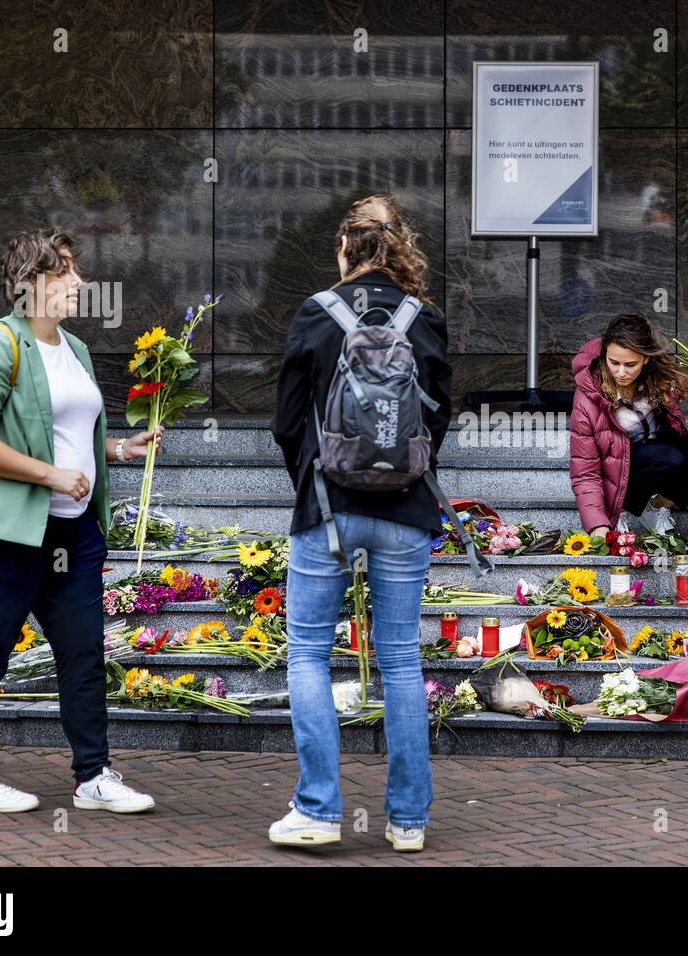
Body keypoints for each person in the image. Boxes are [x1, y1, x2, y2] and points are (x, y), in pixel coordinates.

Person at [0, 226, 162, 813]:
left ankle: (92, 776)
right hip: (5, 531)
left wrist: (118, 451)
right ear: (32, 282)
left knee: (83, 651)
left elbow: (68, 436)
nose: (79, 282)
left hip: (72, 530)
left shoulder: (76, 349)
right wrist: (49, 476)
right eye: (66, 271)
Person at [269, 194, 451, 853]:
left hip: (328, 509)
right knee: (402, 659)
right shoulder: (424, 319)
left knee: (310, 655)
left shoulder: (316, 315)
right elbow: (437, 422)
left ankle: (317, 809)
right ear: (398, 247)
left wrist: (318, 485)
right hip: (407, 513)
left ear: (344, 248)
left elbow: (287, 424)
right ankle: (408, 821)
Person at [569, 313, 688, 545]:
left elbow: (680, 381)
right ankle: (621, 510)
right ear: (605, 354)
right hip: (618, 474)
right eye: (614, 362)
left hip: (655, 454)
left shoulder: (656, 377)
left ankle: (655, 507)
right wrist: (598, 523)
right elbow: (584, 470)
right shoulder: (588, 397)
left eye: (630, 364)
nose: (621, 372)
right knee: (668, 457)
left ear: (645, 359)